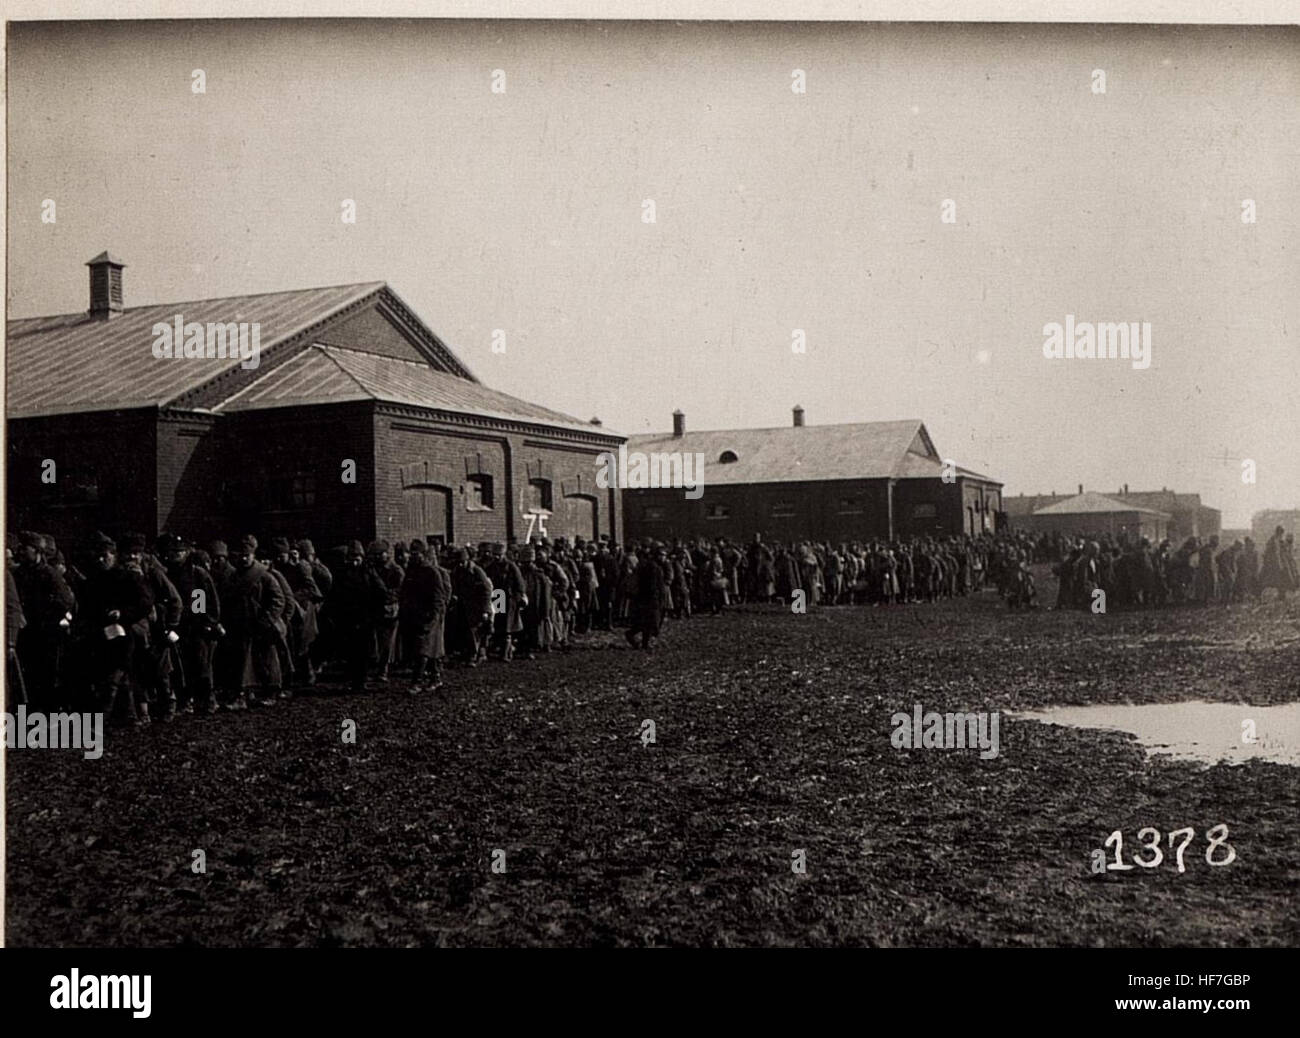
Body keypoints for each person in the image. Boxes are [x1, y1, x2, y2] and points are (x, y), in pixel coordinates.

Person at [218, 534, 286, 709]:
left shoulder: (264, 575)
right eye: (240, 555)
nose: (243, 558)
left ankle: (271, 692)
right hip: (241, 625)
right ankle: (242, 695)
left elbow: (278, 599)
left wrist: (267, 620)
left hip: (262, 625)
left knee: (267, 660)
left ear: (253, 555)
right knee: (242, 662)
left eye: (246, 555)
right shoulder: (233, 576)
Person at [12, 530, 76, 710]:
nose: (21, 552)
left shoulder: (49, 574)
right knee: (30, 675)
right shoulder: (19, 573)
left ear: (37, 551)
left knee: (47, 674)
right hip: (27, 632)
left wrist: (44, 614)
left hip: (46, 633)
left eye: (26, 548)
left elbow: (65, 602)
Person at [328, 540, 387, 692]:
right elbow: (335, 595)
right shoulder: (342, 573)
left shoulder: (369, 572)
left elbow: (381, 591)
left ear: (362, 558)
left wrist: (374, 611)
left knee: (364, 651)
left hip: (365, 617)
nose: (354, 562)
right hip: (348, 617)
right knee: (351, 650)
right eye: (352, 558)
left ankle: (361, 681)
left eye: (357, 558)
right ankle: (354, 680)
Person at [398, 540, 452, 692]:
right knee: (430, 649)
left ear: (423, 555)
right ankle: (436, 678)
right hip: (414, 616)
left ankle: (416, 682)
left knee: (422, 650)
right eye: (412, 553)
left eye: (417, 554)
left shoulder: (431, 572)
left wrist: (433, 616)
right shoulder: (411, 571)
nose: (413, 557)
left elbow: (439, 597)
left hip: (429, 617)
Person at [450, 547, 493, 666]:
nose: (460, 564)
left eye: (462, 561)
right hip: (463, 606)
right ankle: (473, 654)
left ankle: (473, 656)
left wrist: (485, 610)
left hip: (477, 606)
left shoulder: (476, 571)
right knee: (466, 631)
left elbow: (487, 590)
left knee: (474, 632)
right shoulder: (457, 571)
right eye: (458, 562)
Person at [1258, 526, 1296, 600]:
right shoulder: (1272, 541)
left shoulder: (1278, 541)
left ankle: (1281, 595)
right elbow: (1270, 553)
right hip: (1272, 564)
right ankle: (1259, 594)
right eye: (1281, 534)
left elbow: (1282, 552)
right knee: (1267, 580)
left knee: (1281, 580)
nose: (1281, 535)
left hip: (1278, 565)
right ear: (1278, 533)